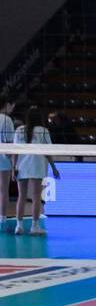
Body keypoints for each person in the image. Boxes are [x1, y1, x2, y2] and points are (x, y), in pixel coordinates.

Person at [13, 106, 58, 235]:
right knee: (36, 197)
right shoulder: (43, 131)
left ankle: (19, 226)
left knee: (21, 196)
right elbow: (48, 152)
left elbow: (14, 151)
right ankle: (34, 226)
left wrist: (13, 168)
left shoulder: (19, 130)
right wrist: (54, 168)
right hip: (37, 166)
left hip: (21, 166)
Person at [1, 95, 16, 231]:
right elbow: (9, 143)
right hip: (3, 160)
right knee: (3, 190)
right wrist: (13, 163)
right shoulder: (7, 120)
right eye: (12, 105)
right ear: (7, 104)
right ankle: (2, 218)